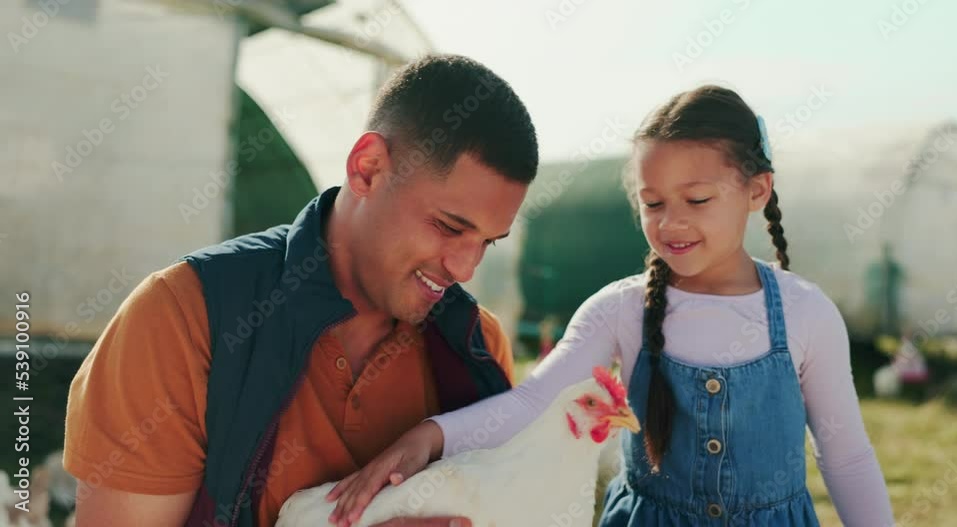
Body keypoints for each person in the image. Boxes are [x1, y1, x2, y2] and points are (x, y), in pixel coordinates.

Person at [327, 86, 895, 526]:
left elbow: (844, 456)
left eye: (696, 200)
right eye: (652, 203)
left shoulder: (806, 314)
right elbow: (531, 401)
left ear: (757, 190)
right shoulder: (619, 309)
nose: (671, 222)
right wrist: (425, 436)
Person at [63, 54, 538, 527]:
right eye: (449, 226)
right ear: (367, 168)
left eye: (487, 243)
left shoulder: (476, 343)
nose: (466, 268)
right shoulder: (181, 317)